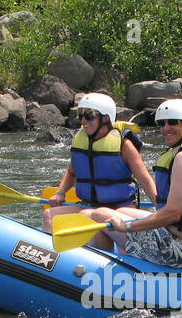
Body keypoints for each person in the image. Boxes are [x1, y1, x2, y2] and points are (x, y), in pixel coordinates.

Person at [82, 98, 182, 268]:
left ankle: (102, 275)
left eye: (172, 122)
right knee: (121, 211)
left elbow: (172, 214)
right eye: (162, 123)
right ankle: (125, 258)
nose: (165, 128)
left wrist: (129, 227)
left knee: (99, 215)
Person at [44, 92, 156, 233]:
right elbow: (72, 172)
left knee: (94, 219)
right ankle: (53, 254)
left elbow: (145, 179)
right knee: (49, 215)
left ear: (105, 118)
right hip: (89, 206)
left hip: (120, 208)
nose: (83, 121)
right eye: (80, 115)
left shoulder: (124, 144)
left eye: (89, 115)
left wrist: (161, 210)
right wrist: (60, 192)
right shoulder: (81, 141)